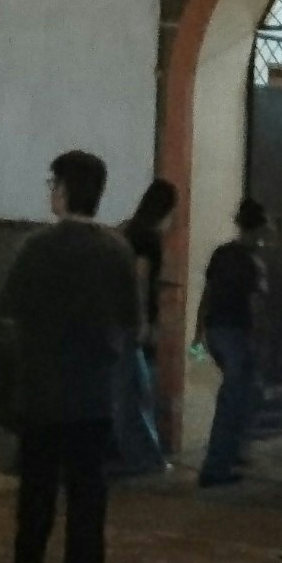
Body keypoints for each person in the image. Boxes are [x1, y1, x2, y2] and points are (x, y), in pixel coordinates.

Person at [0, 146, 142, 563]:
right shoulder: (116, 252)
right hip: (92, 394)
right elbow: (130, 322)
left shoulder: (37, 249)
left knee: (36, 491)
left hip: (41, 390)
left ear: (61, 190)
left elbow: (10, 311)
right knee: (87, 496)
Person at [195, 197, 267, 487]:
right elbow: (256, 306)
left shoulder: (221, 254)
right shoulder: (254, 262)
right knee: (235, 399)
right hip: (238, 333)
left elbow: (208, 294)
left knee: (242, 393)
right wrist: (260, 340)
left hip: (215, 332)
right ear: (260, 228)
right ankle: (217, 466)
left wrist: (197, 334)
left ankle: (231, 454)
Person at [108, 176, 177, 477]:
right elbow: (140, 279)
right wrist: (144, 321)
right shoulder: (148, 239)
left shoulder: (125, 230)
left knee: (127, 390)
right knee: (137, 392)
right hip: (130, 324)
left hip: (113, 319)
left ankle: (134, 454)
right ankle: (146, 458)